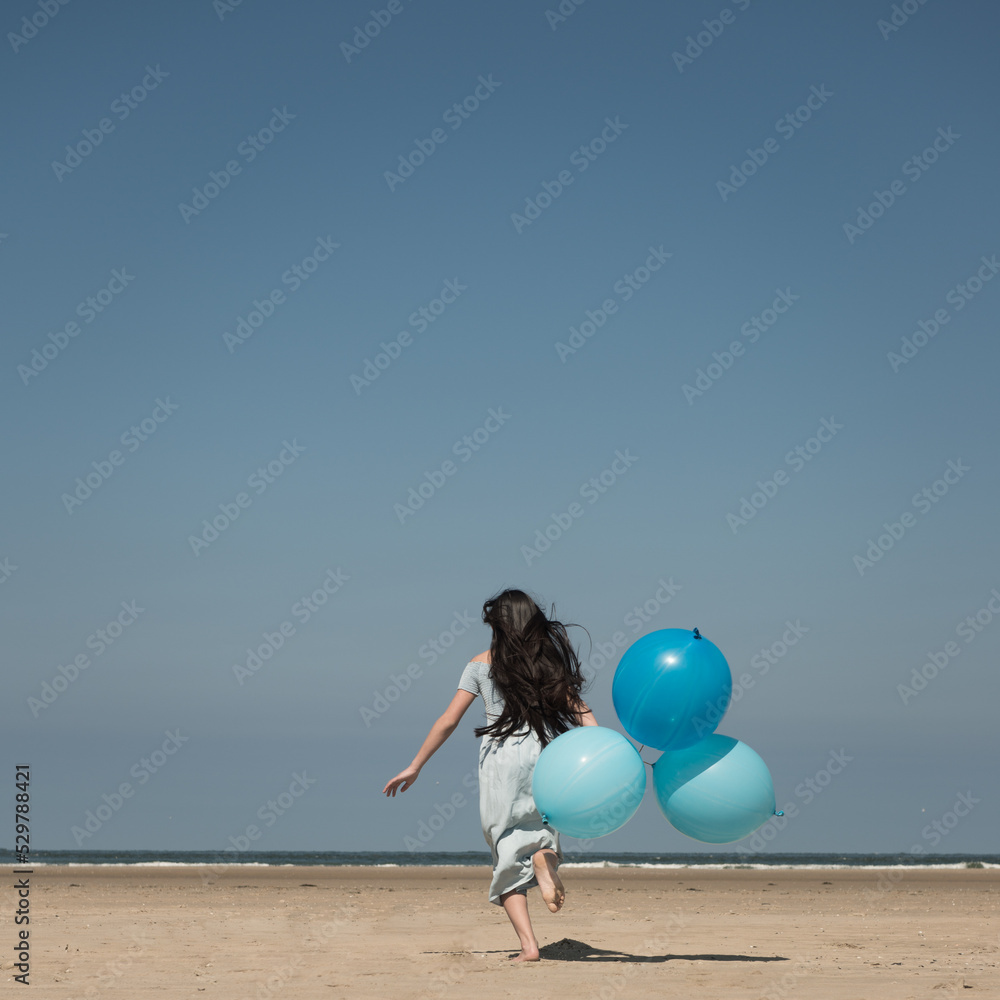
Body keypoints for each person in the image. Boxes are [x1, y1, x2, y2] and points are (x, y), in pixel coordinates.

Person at [383, 588, 597, 962]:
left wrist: (416, 764)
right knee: (544, 825)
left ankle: (529, 947)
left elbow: (449, 720)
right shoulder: (548, 665)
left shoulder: (481, 664)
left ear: (498, 624)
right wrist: (603, 752)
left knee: (505, 846)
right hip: (547, 753)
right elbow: (583, 713)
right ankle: (545, 856)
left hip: (502, 759)